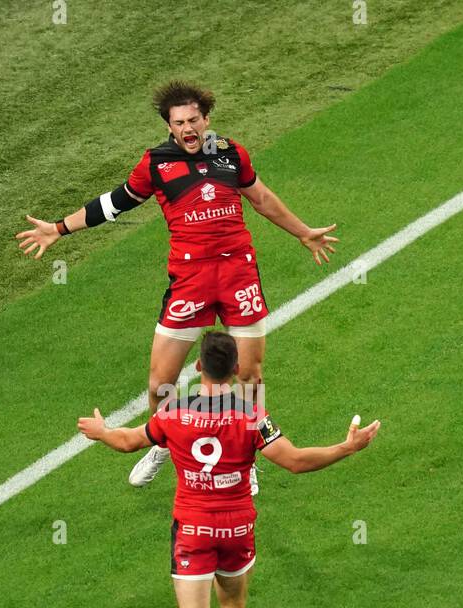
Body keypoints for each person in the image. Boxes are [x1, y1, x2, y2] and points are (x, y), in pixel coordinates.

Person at [23, 79, 340, 496]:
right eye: (179, 123)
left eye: (193, 120)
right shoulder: (156, 164)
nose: (188, 128)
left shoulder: (231, 153)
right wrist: (59, 229)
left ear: (206, 119)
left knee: (249, 374)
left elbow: (261, 198)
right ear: (168, 126)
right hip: (190, 280)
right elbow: (114, 203)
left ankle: (243, 459)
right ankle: (162, 444)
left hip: (238, 273)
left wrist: (303, 232)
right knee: (161, 381)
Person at [77, 331, 379, 608]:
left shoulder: (174, 410)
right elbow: (294, 461)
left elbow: (129, 441)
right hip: (237, 527)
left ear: (198, 366)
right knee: (233, 601)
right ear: (236, 369)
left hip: (193, 528)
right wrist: (347, 448)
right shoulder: (252, 415)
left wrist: (101, 430)